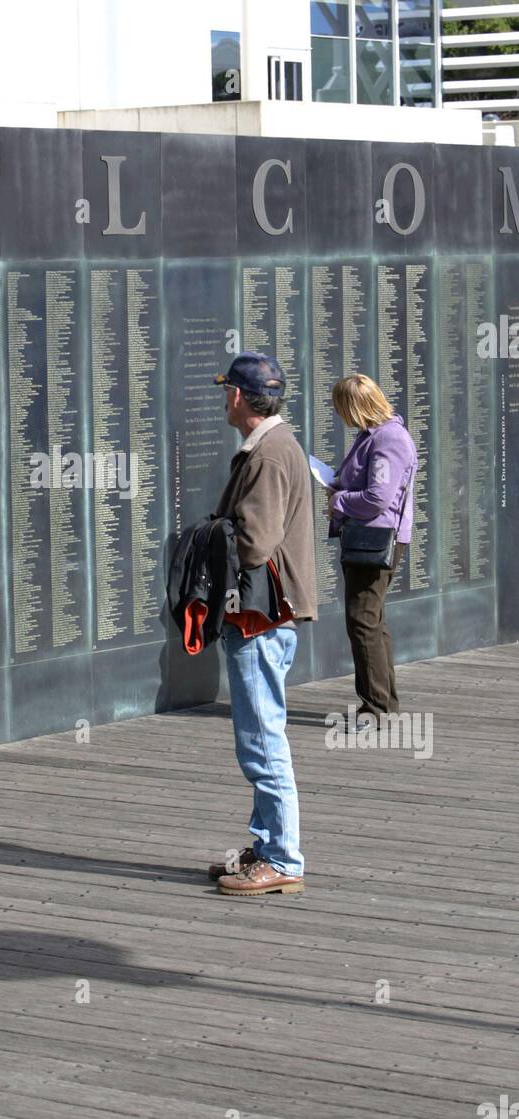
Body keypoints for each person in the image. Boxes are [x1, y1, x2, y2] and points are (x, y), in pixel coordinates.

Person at [206, 352, 317, 897]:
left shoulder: (269, 455)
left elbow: (254, 541)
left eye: (225, 390)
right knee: (260, 734)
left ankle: (283, 859)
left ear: (237, 398)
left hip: (259, 616)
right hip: (265, 615)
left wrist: (209, 538)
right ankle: (267, 844)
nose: (222, 398)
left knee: (262, 738)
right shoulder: (275, 447)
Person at [327, 375, 417, 723]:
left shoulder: (388, 439)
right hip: (367, 539)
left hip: (374, 542)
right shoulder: (373, 436)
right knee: (371, 620)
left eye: (341, 407)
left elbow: (377, 499)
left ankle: (376, 708)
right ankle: (384, 703)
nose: (339, 414)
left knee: (362, 621)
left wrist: (339, 499)